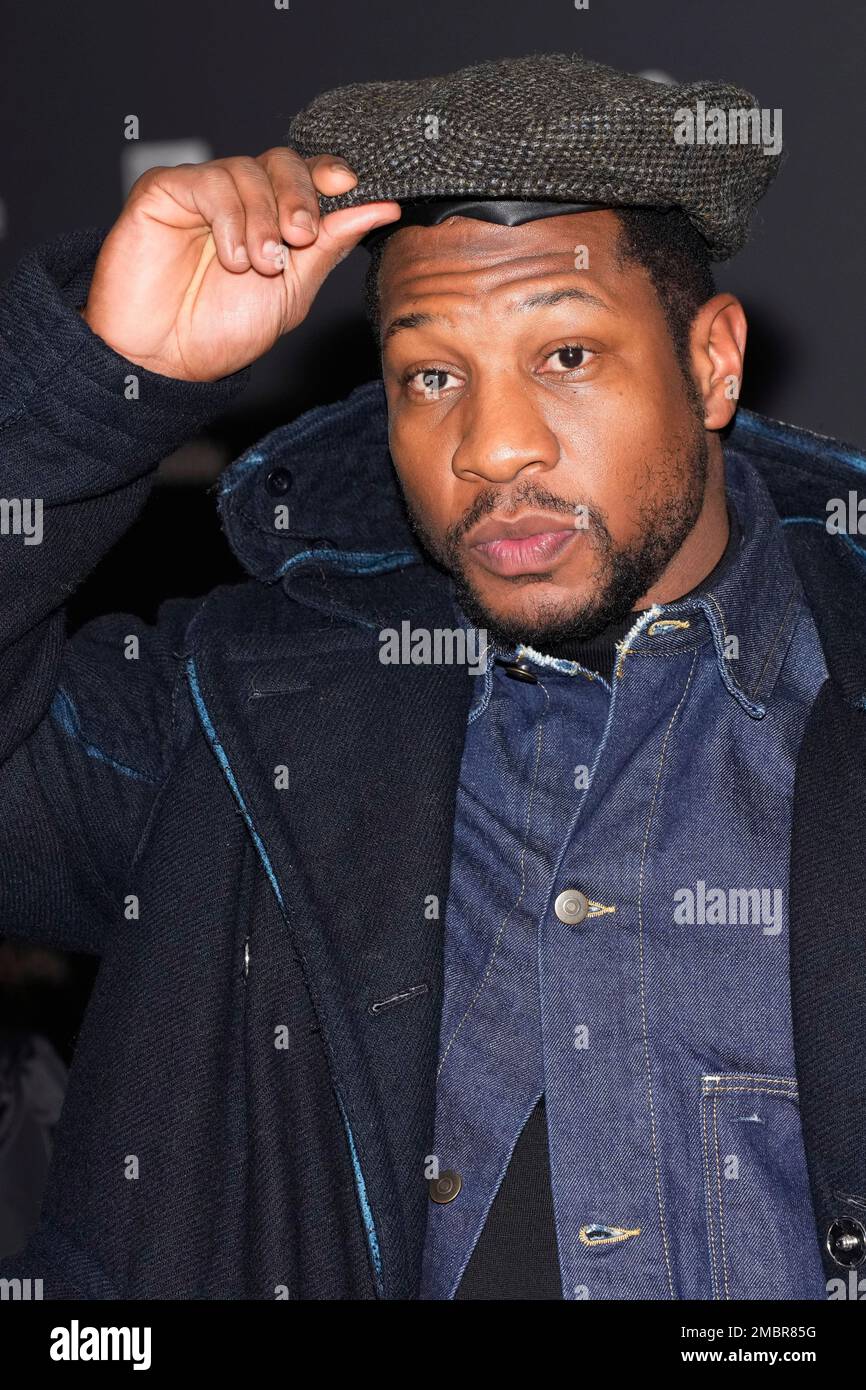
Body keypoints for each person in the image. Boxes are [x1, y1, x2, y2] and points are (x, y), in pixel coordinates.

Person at [0, 51, 864, 1301]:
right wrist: (97, 385)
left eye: (565, 356)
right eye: (431, 375)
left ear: (712, 362)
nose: (491, 445)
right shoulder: (234, 722)